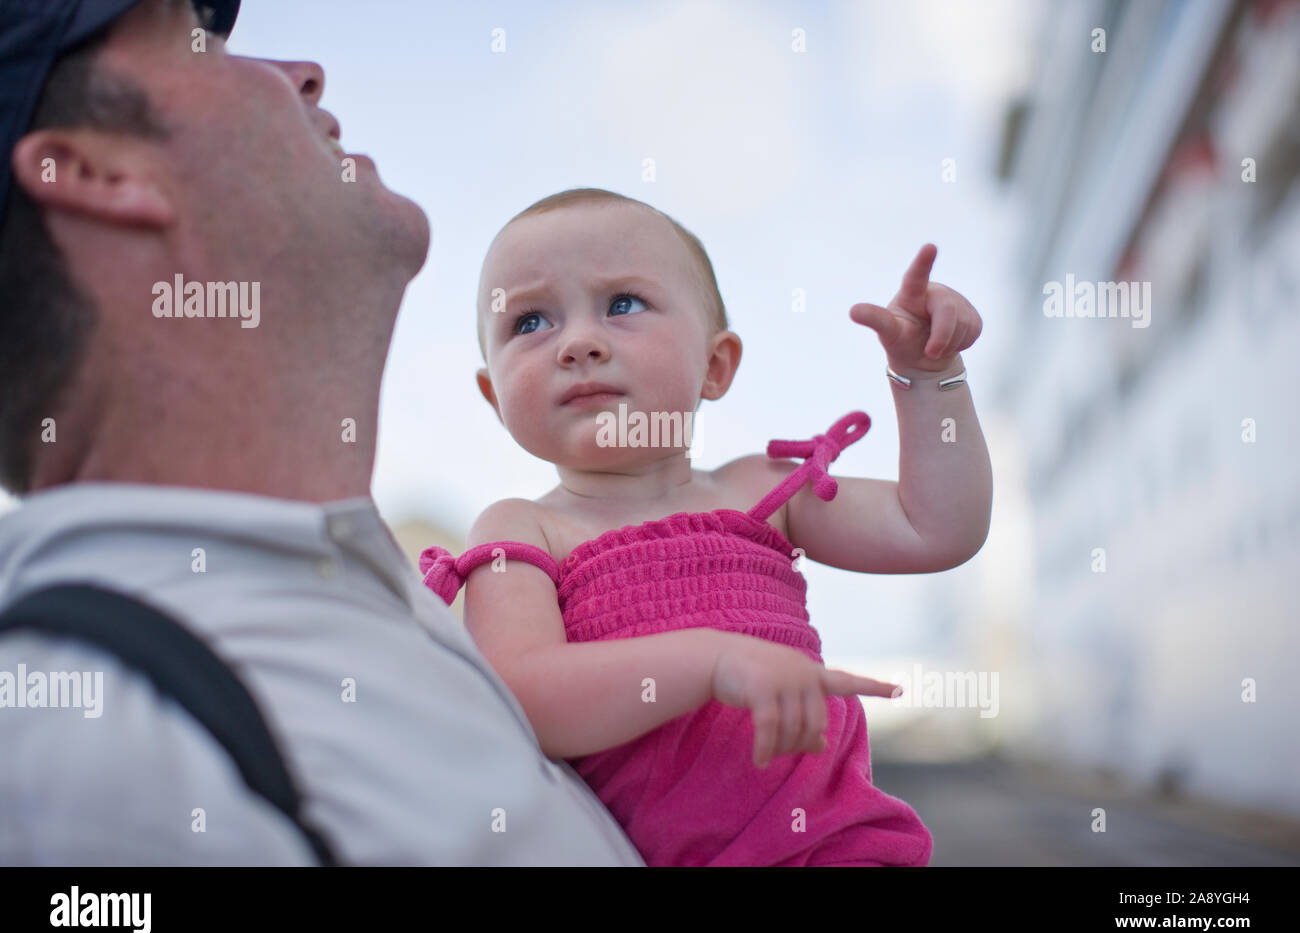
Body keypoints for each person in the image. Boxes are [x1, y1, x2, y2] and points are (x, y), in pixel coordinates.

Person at [0, 0, 644, 866]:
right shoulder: (85, 746)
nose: (303, 72)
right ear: (93, 170)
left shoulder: (414, 613)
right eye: (200, 43)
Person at [417, 188, 993, 865]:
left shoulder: (763, 490)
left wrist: (930, 378)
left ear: (716, 366)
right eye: (530, 321)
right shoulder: (524, 527)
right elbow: (526, 698)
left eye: (622, 305)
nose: (577, 343)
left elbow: (937, 529)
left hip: (840, 846)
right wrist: (715, 662)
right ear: (493, 397)